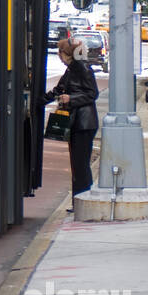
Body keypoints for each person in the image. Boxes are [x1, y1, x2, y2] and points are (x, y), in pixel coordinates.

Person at [45, 36, 99, 207]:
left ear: (65, 54)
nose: (59, 56)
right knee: (78, 163)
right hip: (78, 123)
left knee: (80, 163)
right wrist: (40, 101)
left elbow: (92, 94)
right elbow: (57, 90)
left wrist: (71, 98)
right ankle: (80, 201)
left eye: (60, 52)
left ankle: (83, 201)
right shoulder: (72, 69)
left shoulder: (82, 68)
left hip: (84, 123)